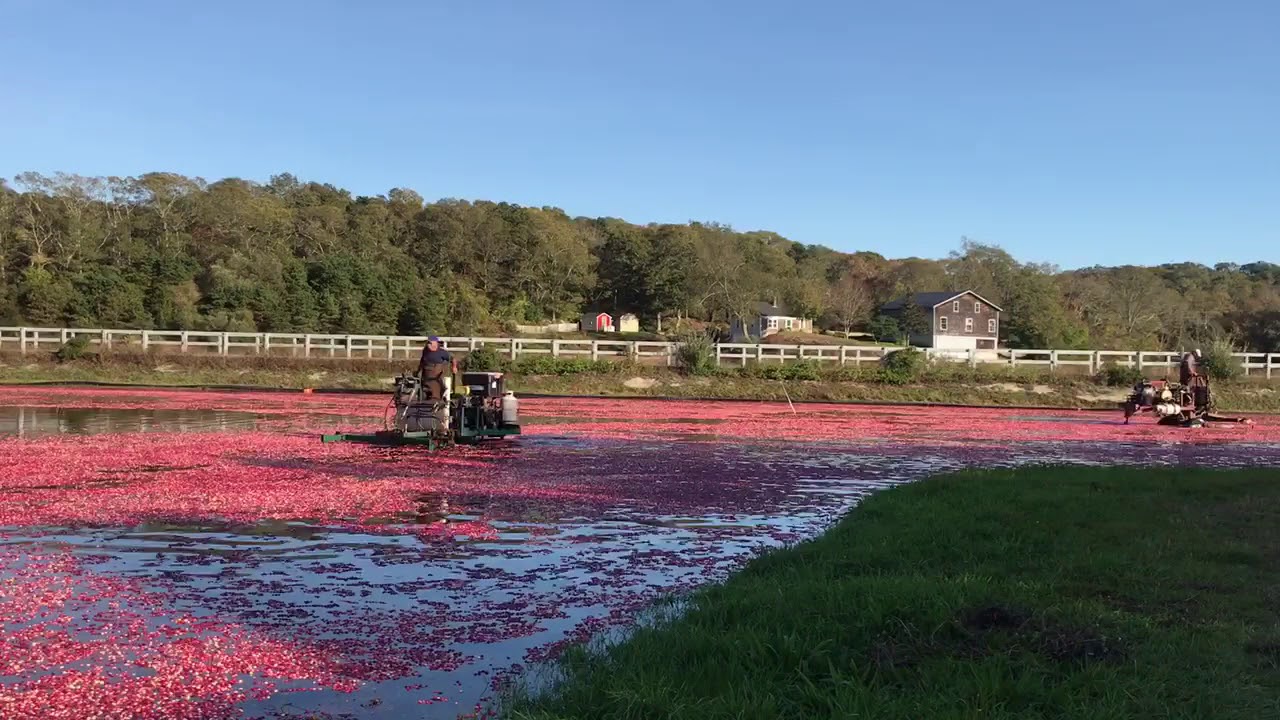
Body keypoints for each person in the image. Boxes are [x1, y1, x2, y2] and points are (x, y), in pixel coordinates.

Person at [417, 336, 457, 401]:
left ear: (435, 343)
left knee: (438, 389)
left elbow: (453, 359)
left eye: (430, 343)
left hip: (436, 375)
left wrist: (454, 367)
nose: (428, 344)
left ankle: (437, 400)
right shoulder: (425, 351)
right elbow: (422, 362)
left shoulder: (442, 352)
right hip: (426, 376)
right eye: (427, 343)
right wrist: (418, 371)